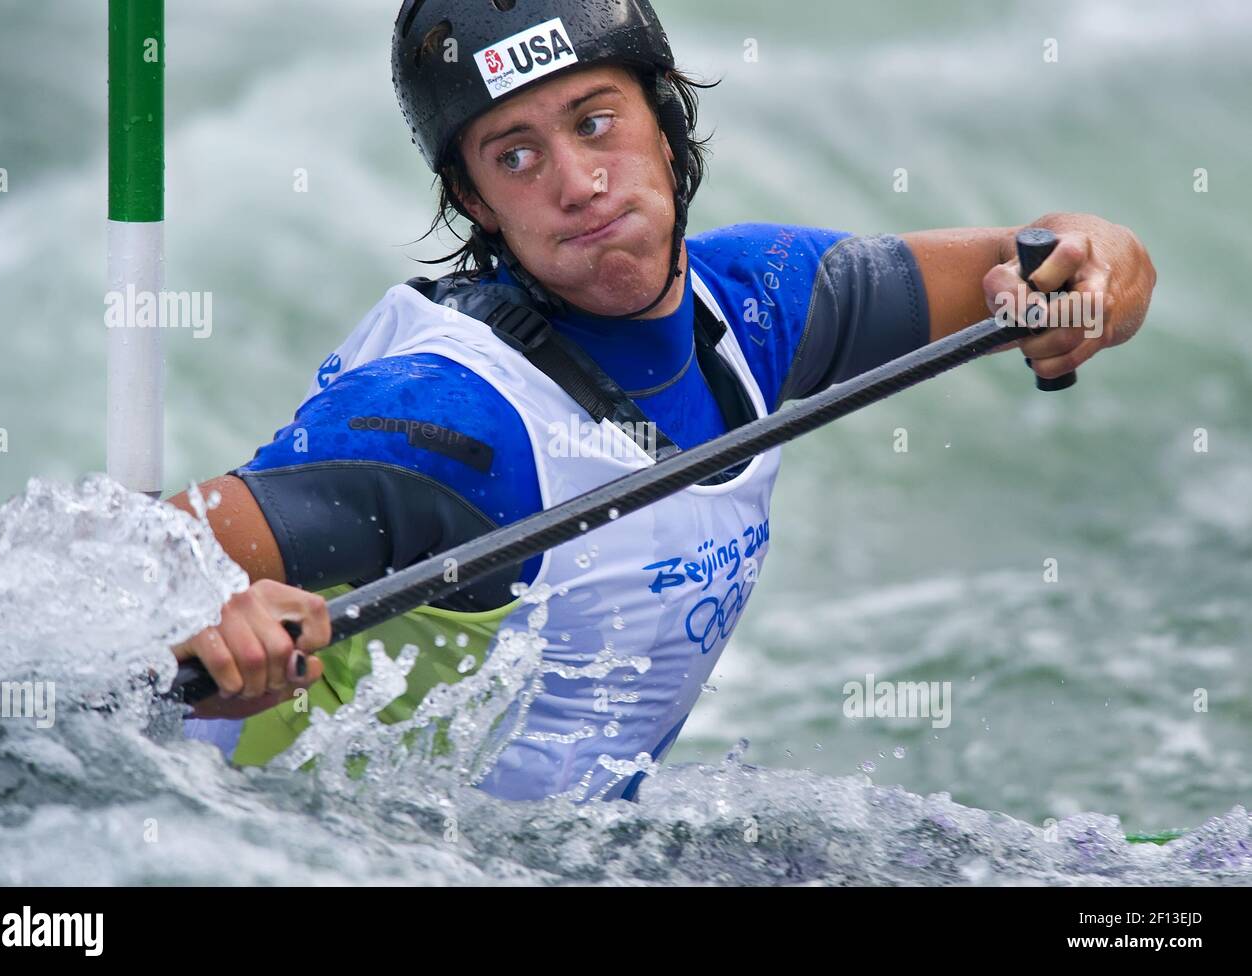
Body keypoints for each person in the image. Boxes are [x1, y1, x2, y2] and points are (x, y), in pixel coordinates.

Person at [171, 0, 1156, 801]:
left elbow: (1047, 252)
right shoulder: (449, 418)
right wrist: (216, 620)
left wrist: (1096, 273)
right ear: (475, 202)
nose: (578, 181)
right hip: (314, 851)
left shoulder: (764, 307)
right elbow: (114, 560)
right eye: (515, 156)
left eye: (596, 122)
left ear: (663, 115)